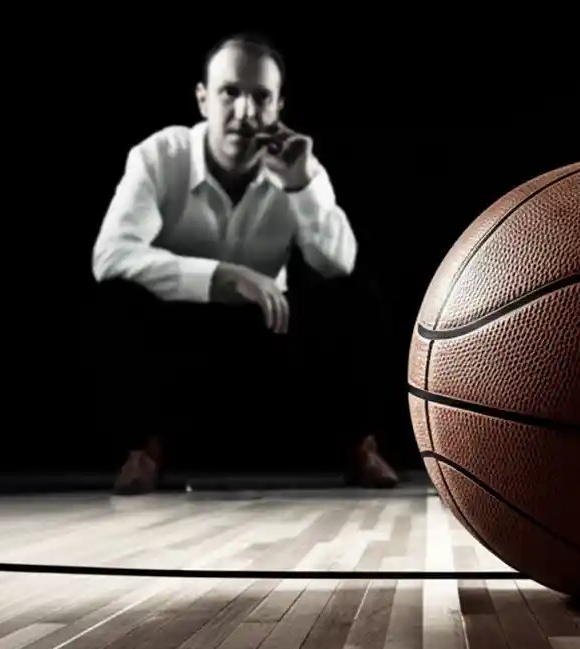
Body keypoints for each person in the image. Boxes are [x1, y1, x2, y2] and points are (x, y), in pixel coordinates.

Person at [90, 31, 400, 493]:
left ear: (278, 107)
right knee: (115, 300)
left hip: (267, 343)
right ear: (202, 99)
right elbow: (110, 255)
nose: (245, 112)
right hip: (178, 341)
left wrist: (300, 186)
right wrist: (222, 277)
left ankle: (360, 447)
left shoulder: (301, 167)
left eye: (261, 97)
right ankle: (142, 452)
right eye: (229, 92)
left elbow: (341, 266)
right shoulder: (159, 156)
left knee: (357, 296)